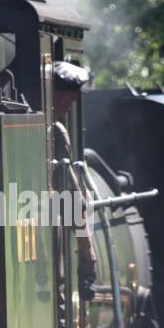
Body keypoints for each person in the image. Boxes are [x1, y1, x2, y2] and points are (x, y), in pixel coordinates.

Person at [52, 60, 97, 299]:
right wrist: (86, 248)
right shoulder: (56, 132)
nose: (68, 108)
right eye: (69, 103)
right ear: (59, 98)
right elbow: (71, 196)